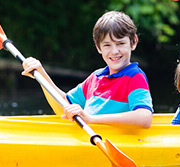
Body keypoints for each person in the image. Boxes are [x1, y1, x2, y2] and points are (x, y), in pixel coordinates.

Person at [21, 11, 153, 128]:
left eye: (120, 43)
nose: (114, 51)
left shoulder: (135, 77)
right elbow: (64, 107)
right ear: (98, 47)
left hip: (116, 141)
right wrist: (41, 75)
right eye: (107, 45)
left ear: (133, 42)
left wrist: (91, 119)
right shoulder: (96, 78)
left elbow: (145, 118)